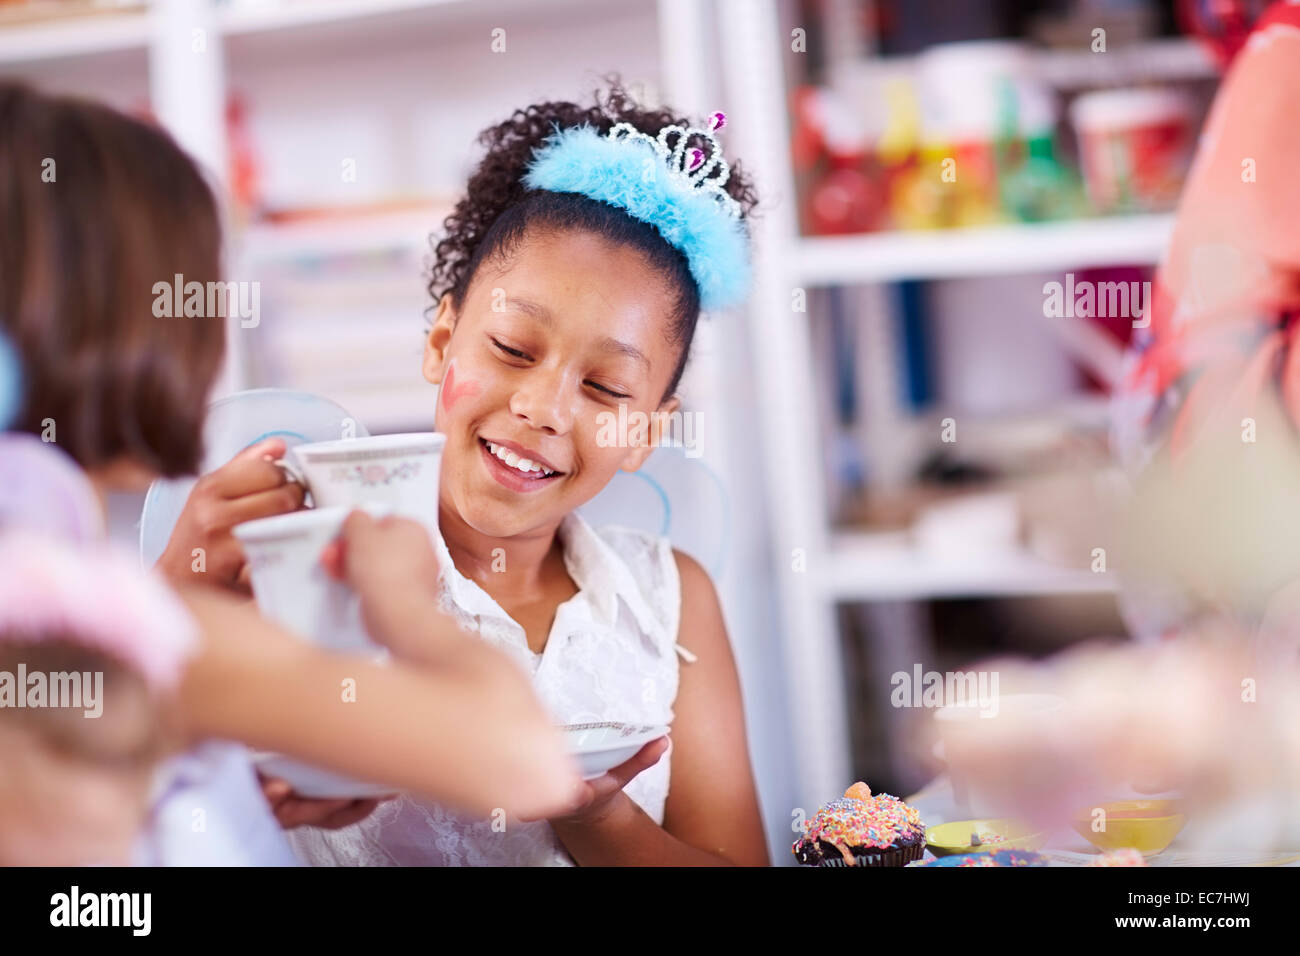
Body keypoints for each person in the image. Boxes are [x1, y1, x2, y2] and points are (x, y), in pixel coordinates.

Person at [287, 82, 769, 866]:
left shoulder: (671, 602)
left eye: (607, 389)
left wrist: (598, 821)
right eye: (512, 349)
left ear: (645, 430)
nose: (544, 408)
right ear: (443, 343)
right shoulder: (312, 563)